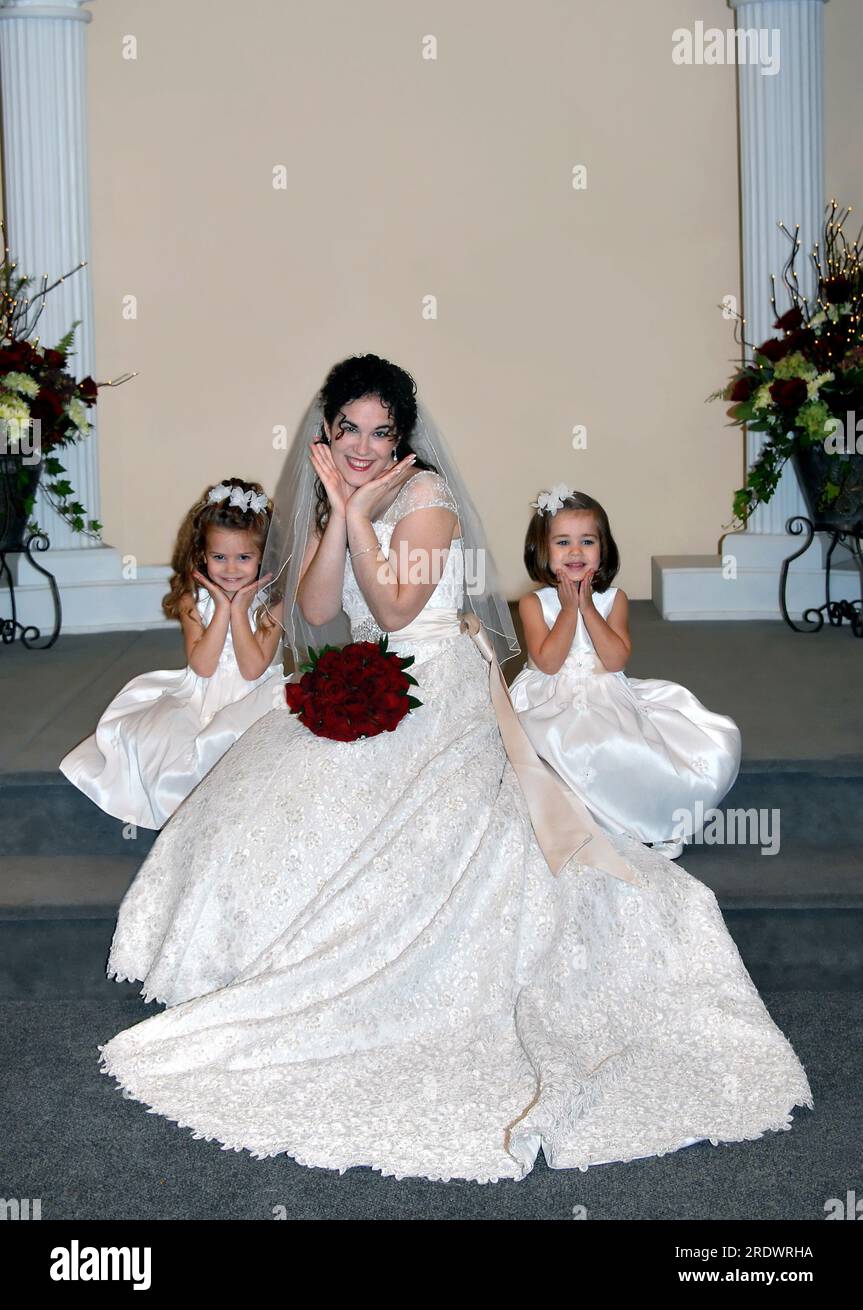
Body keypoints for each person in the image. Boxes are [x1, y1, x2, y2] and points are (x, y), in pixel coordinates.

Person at [96, 355, 811, 1183]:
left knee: (406, 810)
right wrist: (337, 510)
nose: (362, 448)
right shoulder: (347, 492)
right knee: (266, 784)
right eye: (347, 432)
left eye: (379, 433)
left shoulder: (426, 502)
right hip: (371, 671)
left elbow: (399, 607)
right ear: (327, 433)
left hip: (434, 680)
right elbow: (324, 609)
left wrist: (358, 509)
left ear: (402, 436)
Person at [509, 486, 742, 860]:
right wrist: (569, 611)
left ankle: (652, 820)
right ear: (542, 550)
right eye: (563, 542)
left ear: (603, 550)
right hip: (548, 696)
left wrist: (588, 608)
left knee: (630, 746)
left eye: (587, 541)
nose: (575, 552)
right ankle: (587, 824)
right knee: (567, 742)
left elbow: (616, 659)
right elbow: (549, 663)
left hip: (605, 690)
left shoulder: (613, 598)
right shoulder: (533, 603)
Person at [60, 479, 284, 830]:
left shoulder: (273, 604)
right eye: (219, 557)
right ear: (201, 555)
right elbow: (203, 665)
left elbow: (253, 668)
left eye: (244, 557)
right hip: (200, 692)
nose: (230, 568)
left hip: (255, 695)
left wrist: (240, 610)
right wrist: (221, 610)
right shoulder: (191, 600)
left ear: (264, 556)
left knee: (233, 737)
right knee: (157, 741)